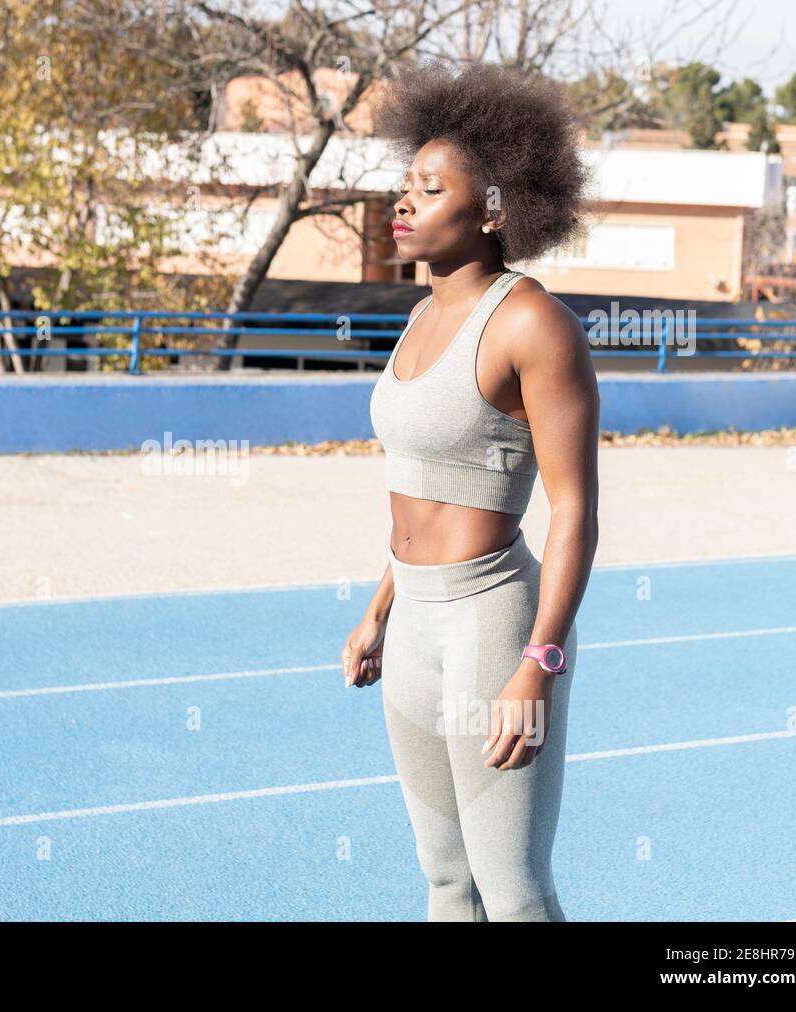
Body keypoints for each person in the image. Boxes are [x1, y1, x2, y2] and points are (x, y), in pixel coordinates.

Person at [342, 59, 601, 922]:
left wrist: (540, 661)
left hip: (492, 623)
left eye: (431, 187)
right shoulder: (418, 317)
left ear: (492, 209)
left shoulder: (532, 322)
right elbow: (415, 489)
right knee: (447, 882)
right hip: (412, 623)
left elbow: (573, 512)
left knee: (513, 892)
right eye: (404, 183)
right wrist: (379, 609)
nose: (404, 201)